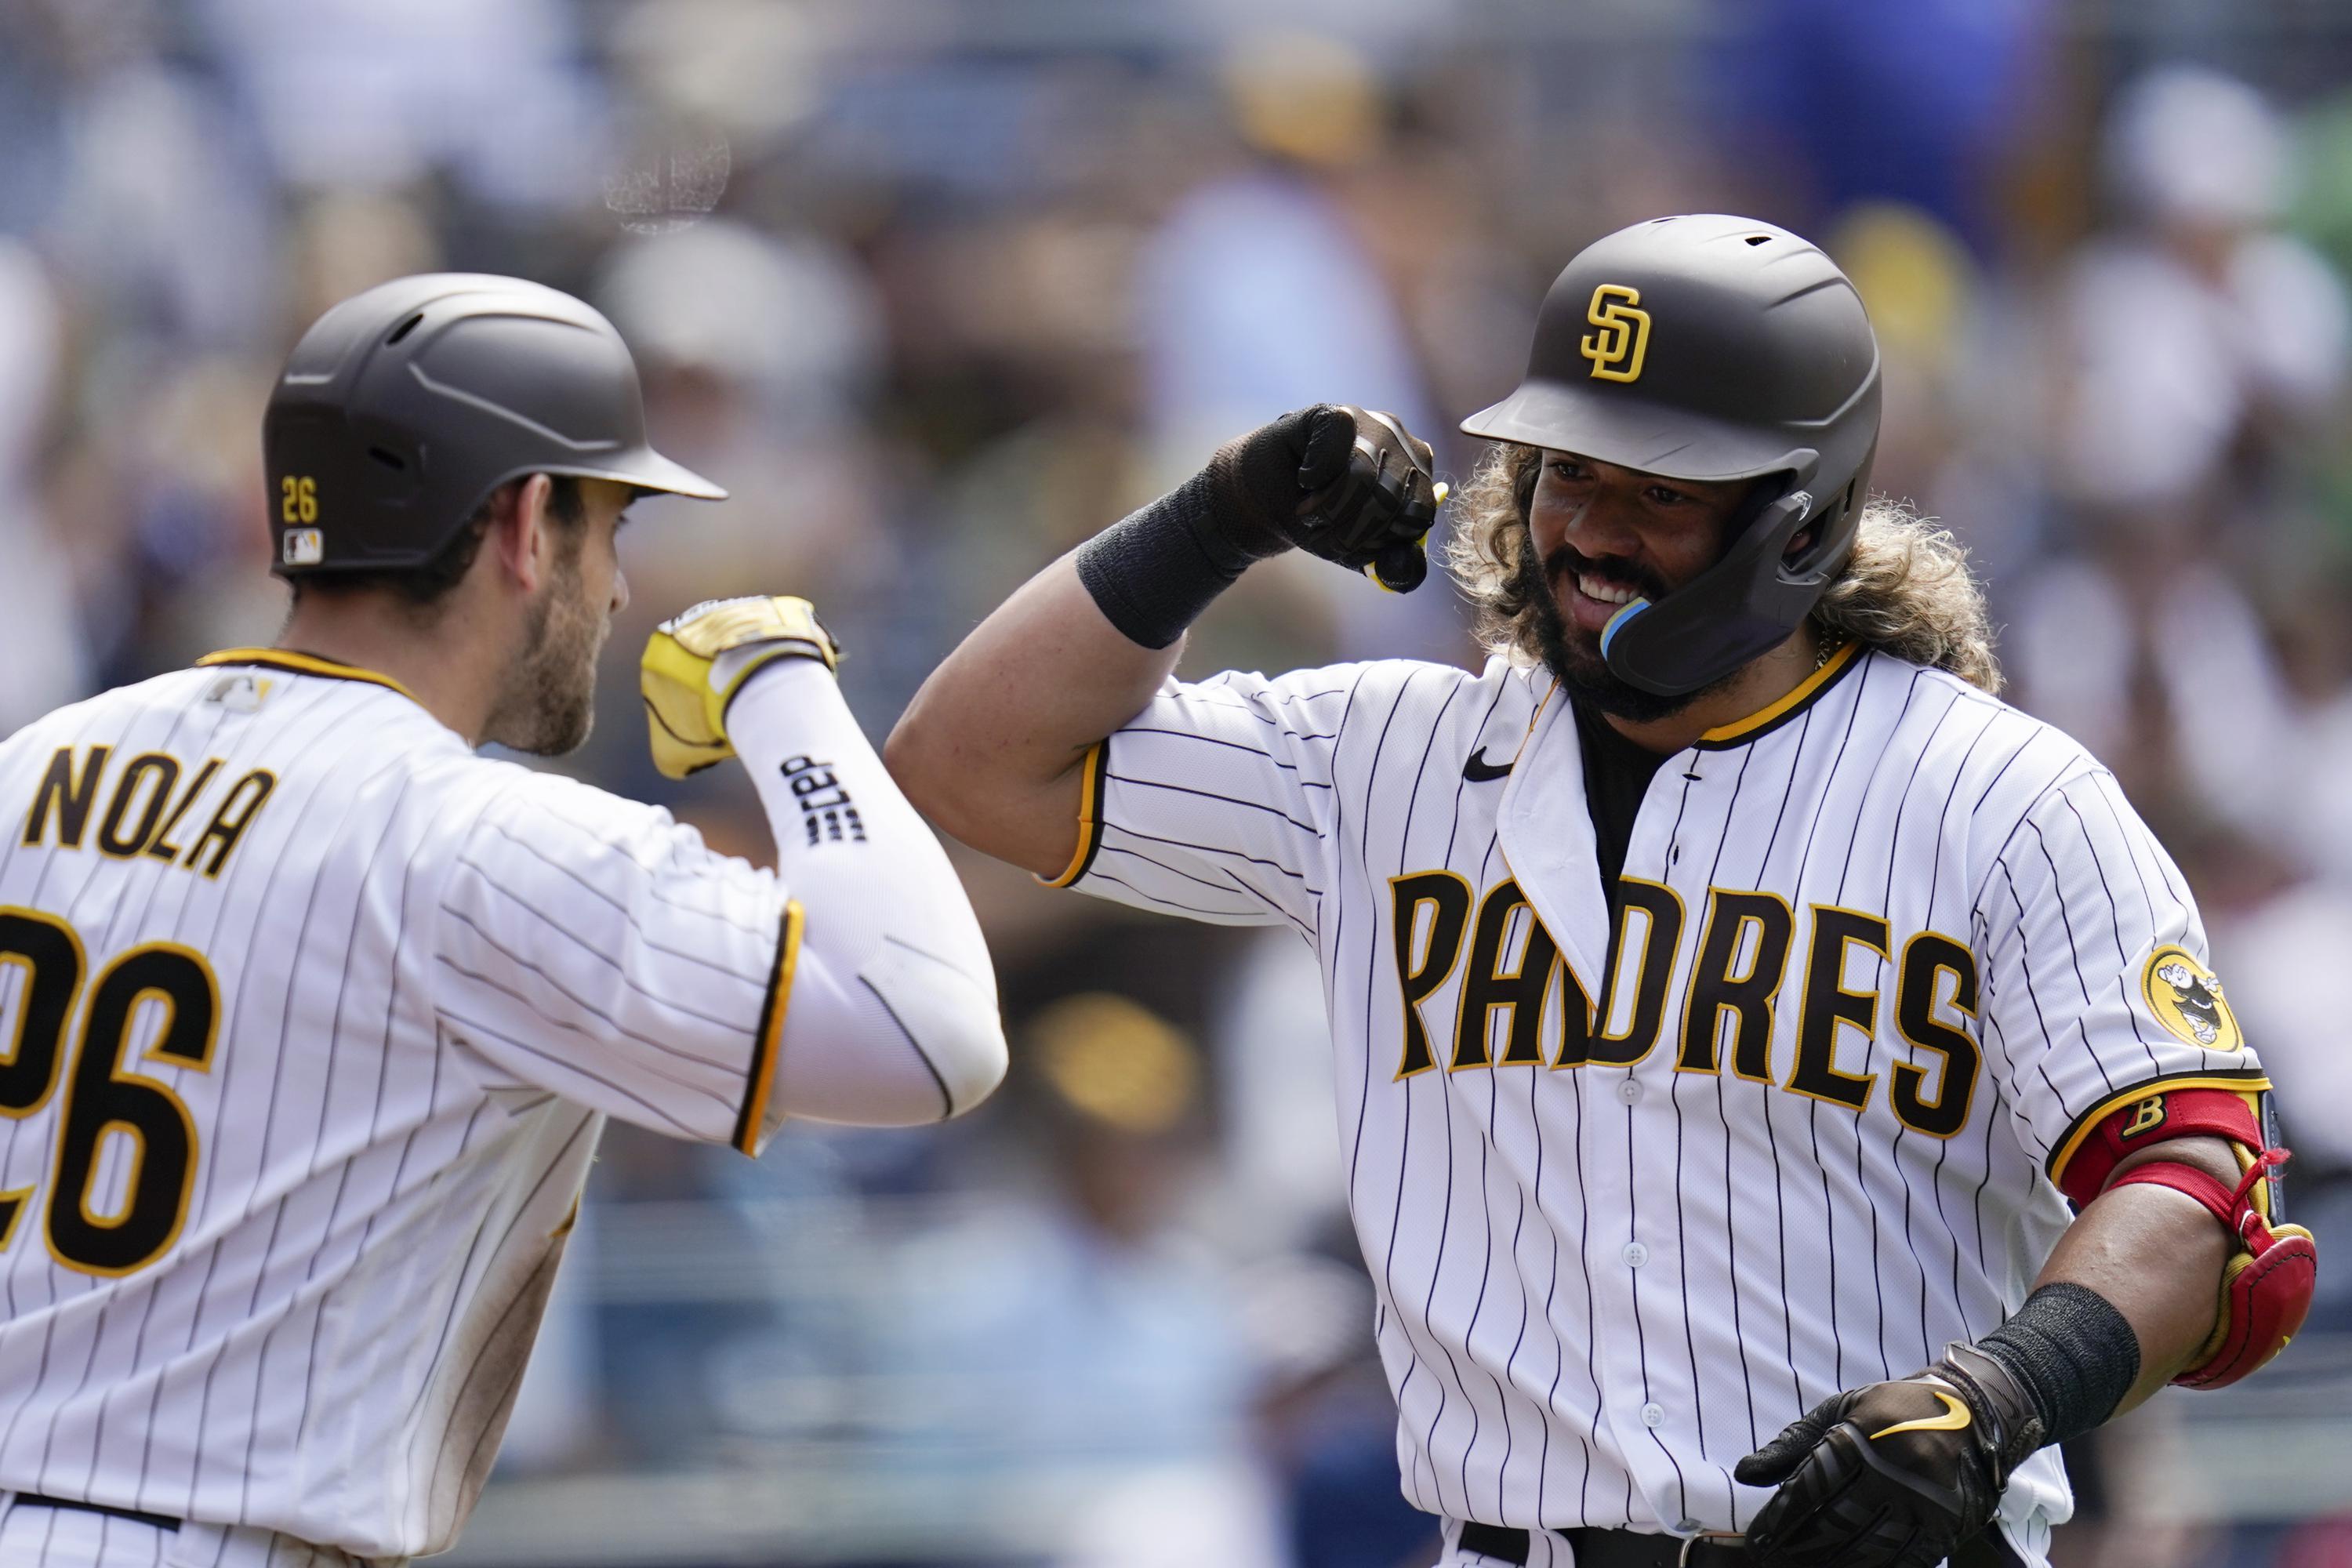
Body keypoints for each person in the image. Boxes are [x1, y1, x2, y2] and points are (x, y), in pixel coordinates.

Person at [885, 215, 2314, 1568]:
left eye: (1659, 490)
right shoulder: (1383, 756)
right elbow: (969, 761)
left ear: (1799, 521)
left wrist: (1998, 1397)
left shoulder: (2002, 798)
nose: (1591, 532)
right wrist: (1224, 512)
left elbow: (2197, 1189)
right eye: (1568, 471)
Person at [0, 274, 1007, 1567]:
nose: (623, 588)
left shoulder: (38, 761)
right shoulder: (471, 838)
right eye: (614, 527)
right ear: (527, 523)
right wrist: (782, 693)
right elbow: (928, 1034)